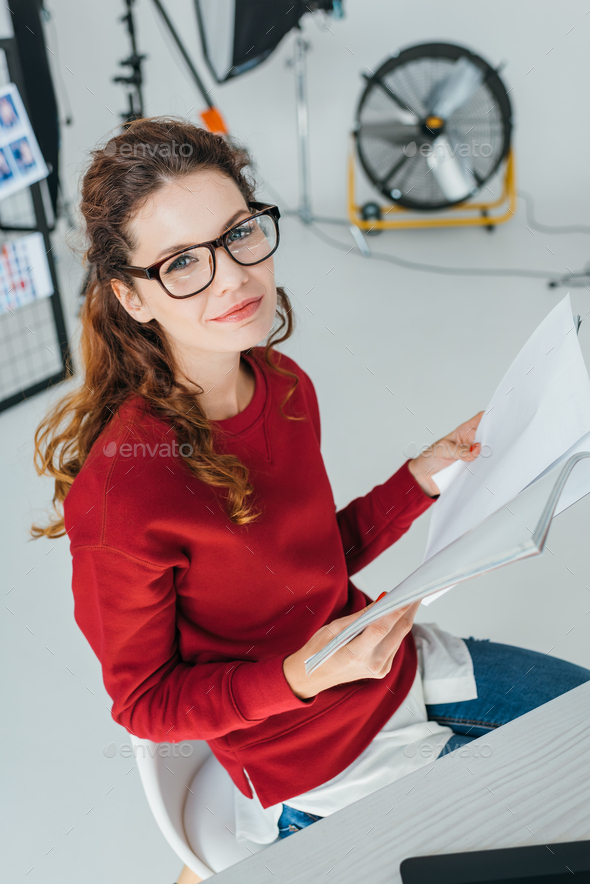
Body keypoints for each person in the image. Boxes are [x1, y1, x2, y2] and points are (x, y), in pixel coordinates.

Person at [31, 117, 590, 853]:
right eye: (181, 264)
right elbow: (144, 705)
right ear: (133, 297)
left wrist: (419, 476)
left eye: (238, 234)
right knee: (558, 829)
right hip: (309, 763)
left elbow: (311, 560)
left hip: (395, 667)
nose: (232, 276)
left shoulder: (284, 383)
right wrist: (301, 673)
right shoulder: (121, 496)